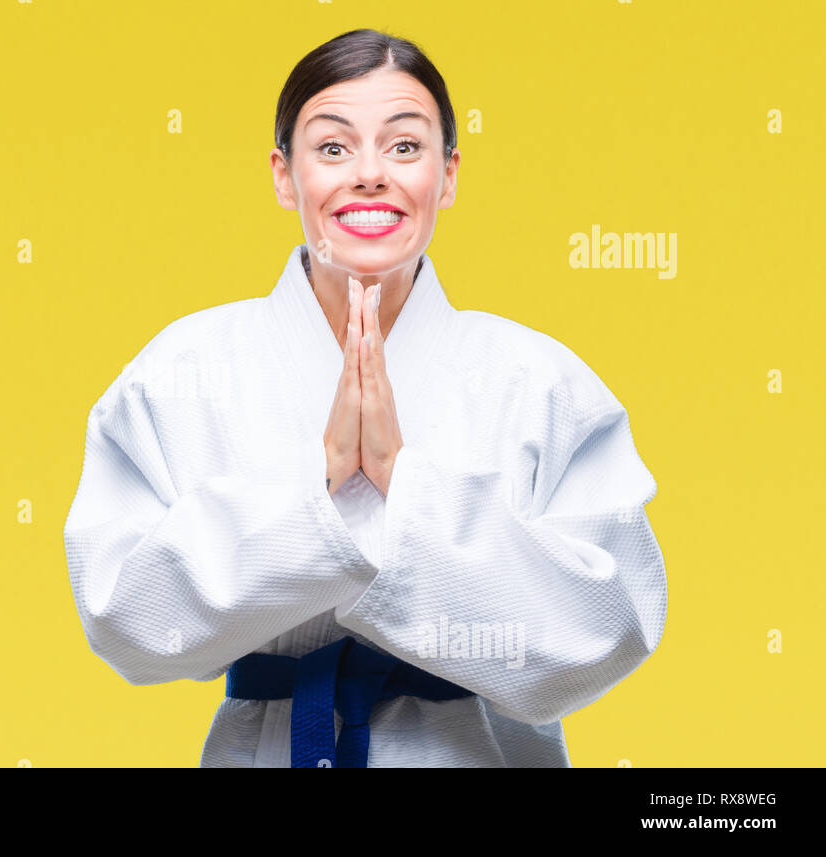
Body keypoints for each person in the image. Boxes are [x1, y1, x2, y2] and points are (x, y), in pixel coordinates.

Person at [62, 28, 667, 767]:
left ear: (447, 175)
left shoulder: (538, 381)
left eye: (406, 147)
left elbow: (608, 628)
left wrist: (401, 482)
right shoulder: (185, 370)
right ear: (286, 177)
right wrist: (316, 485)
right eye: (334, 147)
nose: (370, 175)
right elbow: (123, 616)